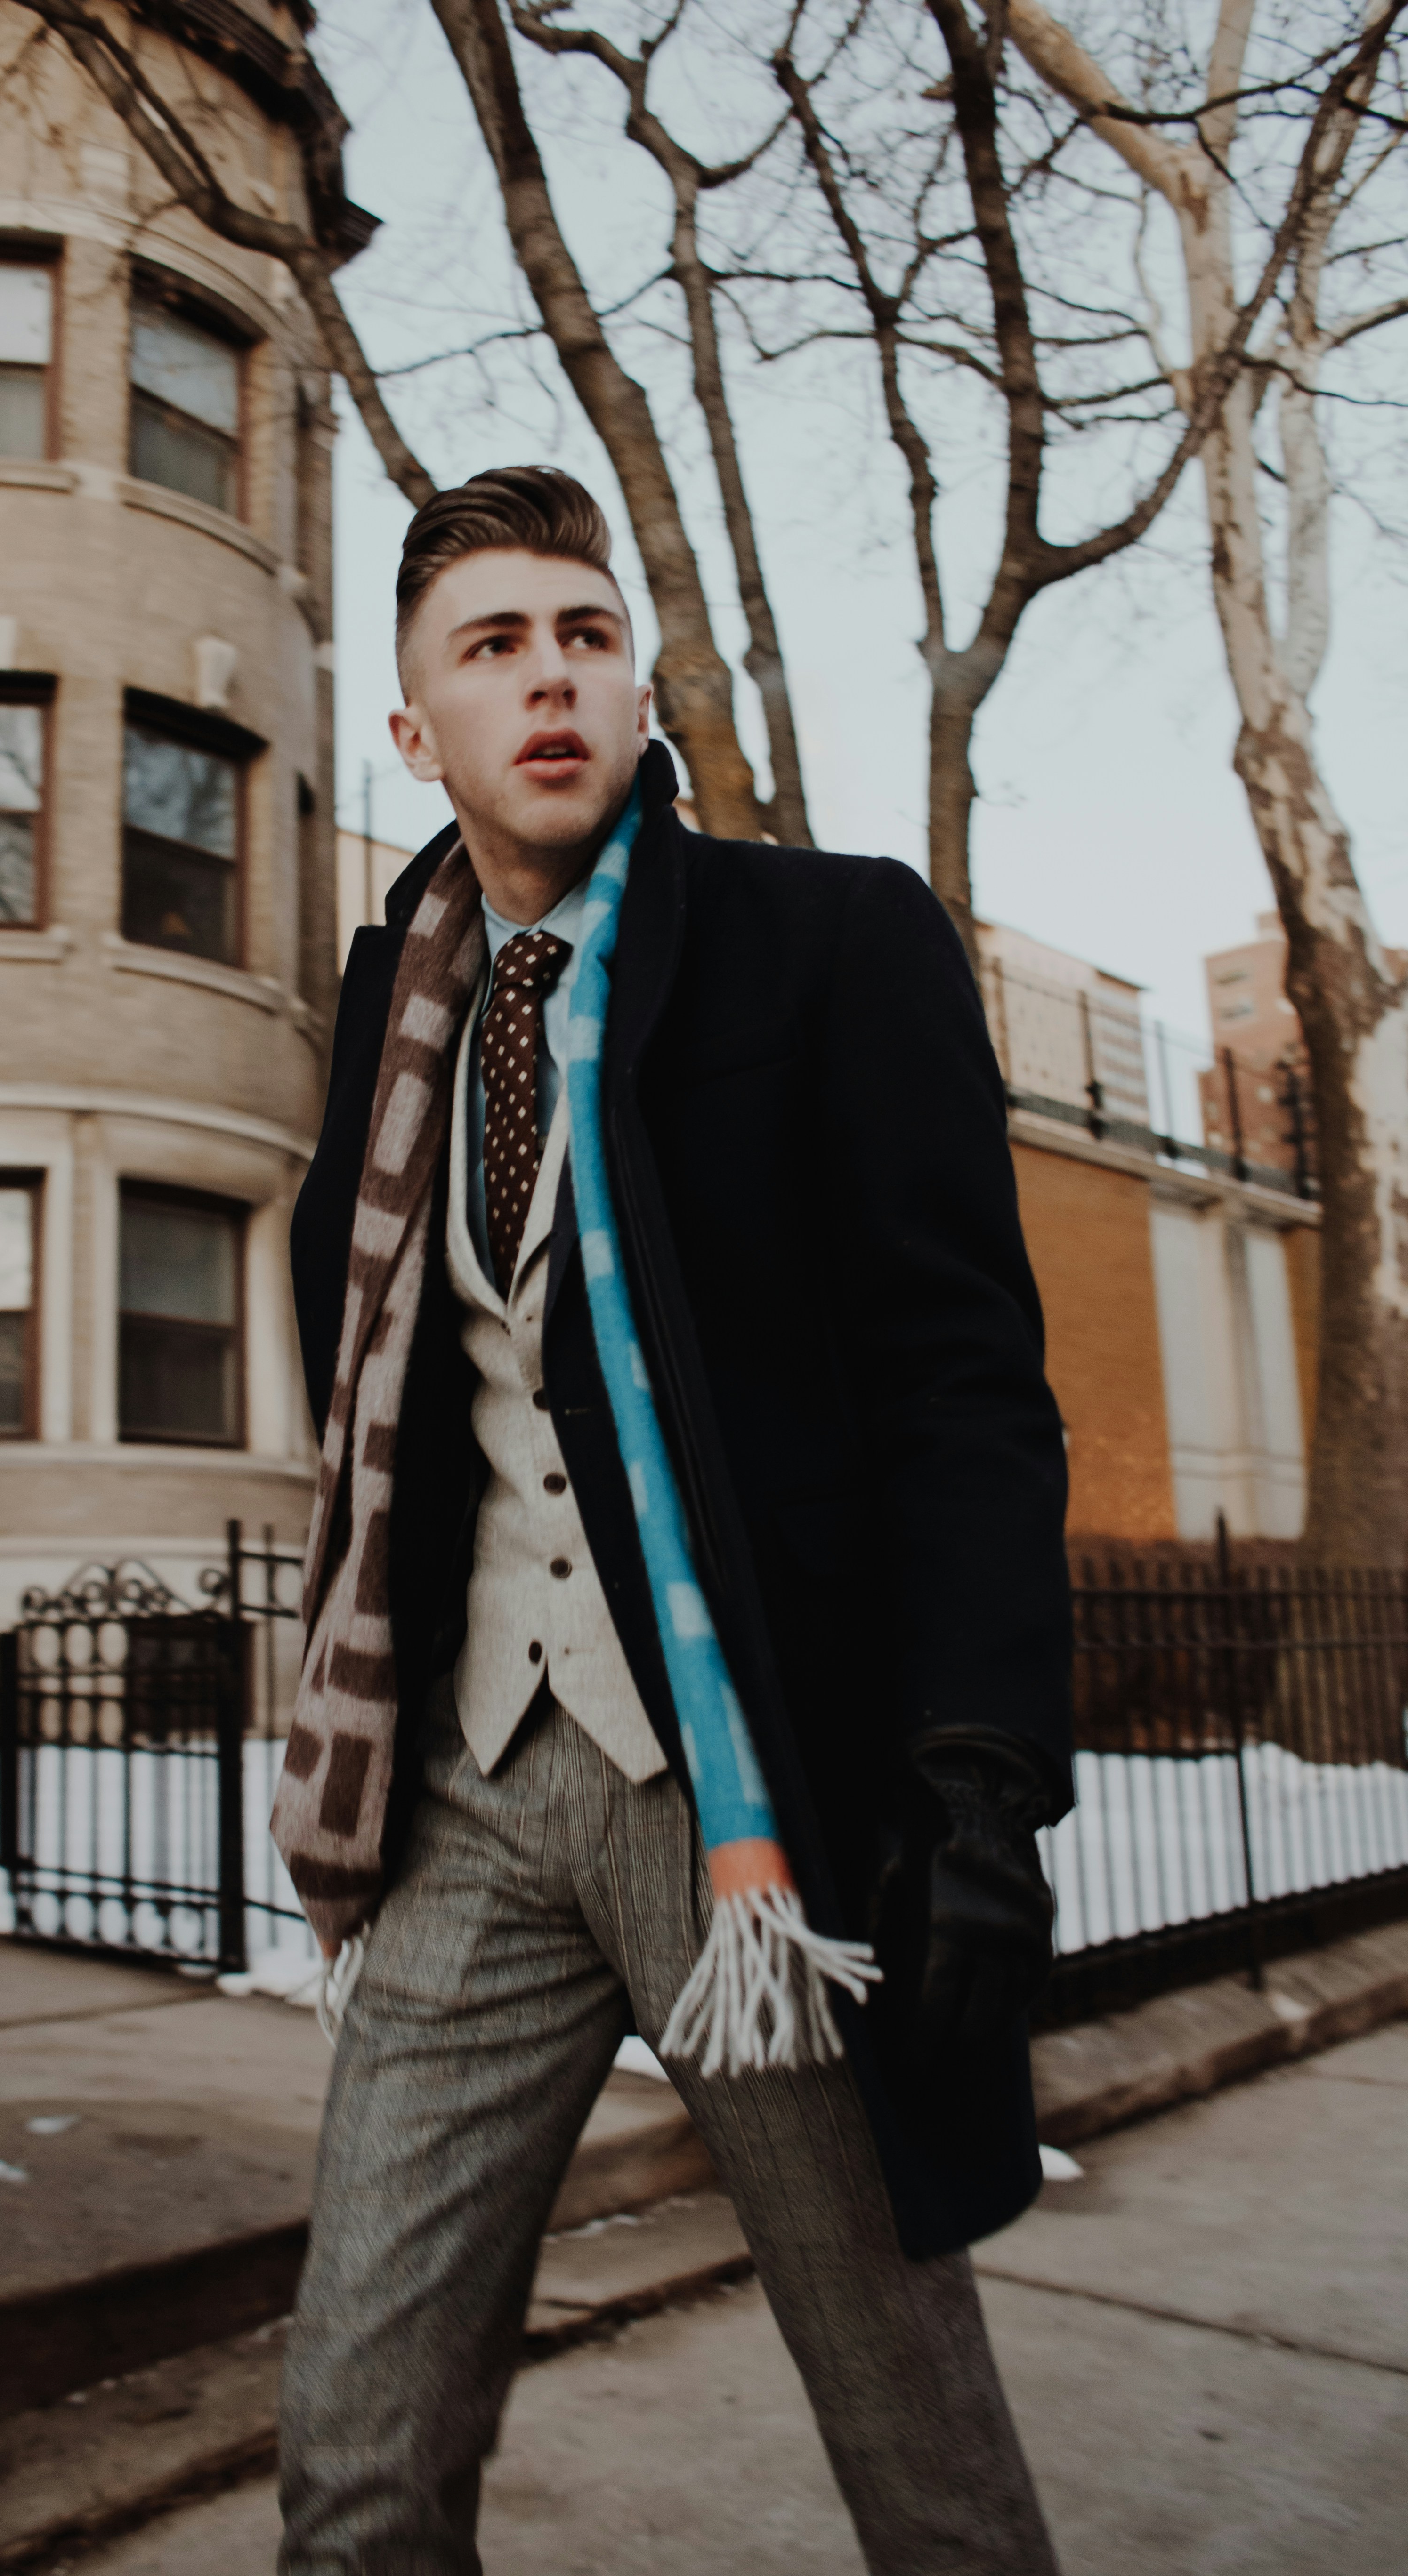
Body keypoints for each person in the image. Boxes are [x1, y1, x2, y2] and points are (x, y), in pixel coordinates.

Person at [273, 465, 1072, 2576]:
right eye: (494, 646)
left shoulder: (832, 944)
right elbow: (386, 1394)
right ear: (415, 730)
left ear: (634, 682)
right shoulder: (397, 1010)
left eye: (585, 635)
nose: (552, 680)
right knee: (353, 2459)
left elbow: (964, 1382)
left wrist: (978, 1767)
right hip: (466, 1799)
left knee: (923, 2469)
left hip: (749, 1826)